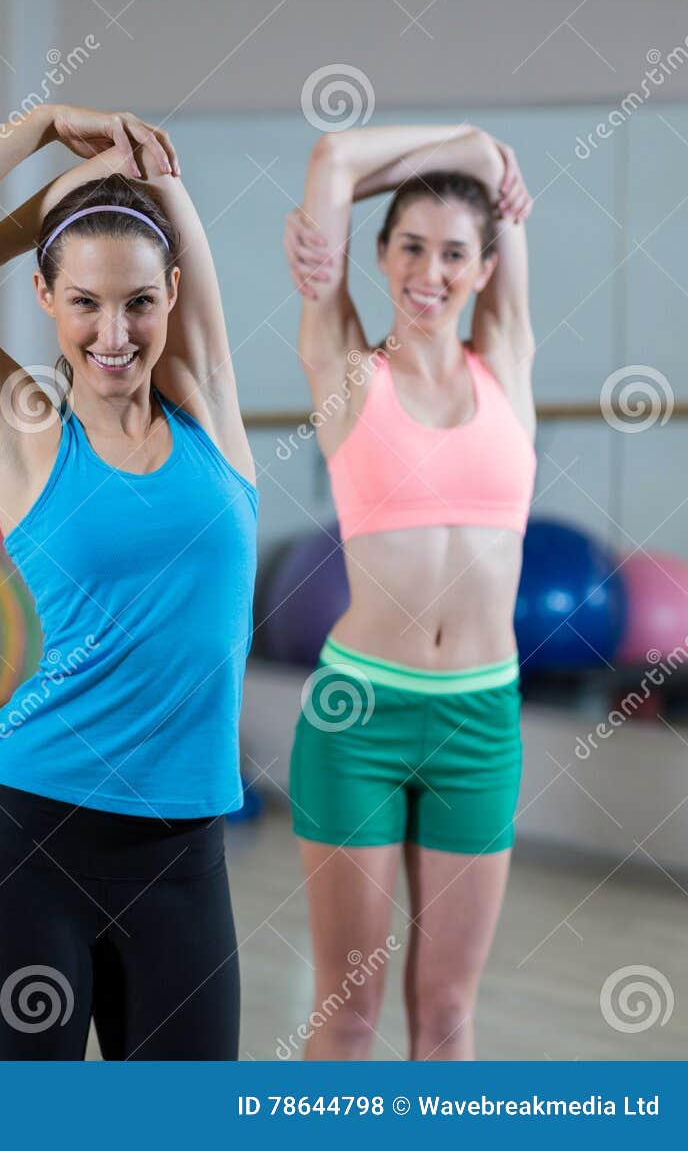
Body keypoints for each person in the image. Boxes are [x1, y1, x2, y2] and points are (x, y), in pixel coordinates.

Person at [0, 104, 257, 1059]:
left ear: (174, 292)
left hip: (183, 859)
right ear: (47, 299)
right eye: (84, 300)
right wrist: (41, 124)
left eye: (138, 300)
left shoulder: (208, 400)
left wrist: (35, 226)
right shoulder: (22, 428)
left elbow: (148, 171)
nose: (116, 331)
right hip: (27, 847)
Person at [283, 123, 535, 1060]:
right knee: (349, 1013)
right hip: (359, 715)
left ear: (484, 268)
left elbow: (502, 186)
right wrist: (468, 139)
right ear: (378, 254)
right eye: (411, 246)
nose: (431, 271)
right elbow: (332, 161)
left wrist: (485, 151)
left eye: (455, 253)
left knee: (447, 1014)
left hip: (480, 717)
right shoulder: (346, 368)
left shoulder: (506, 358)